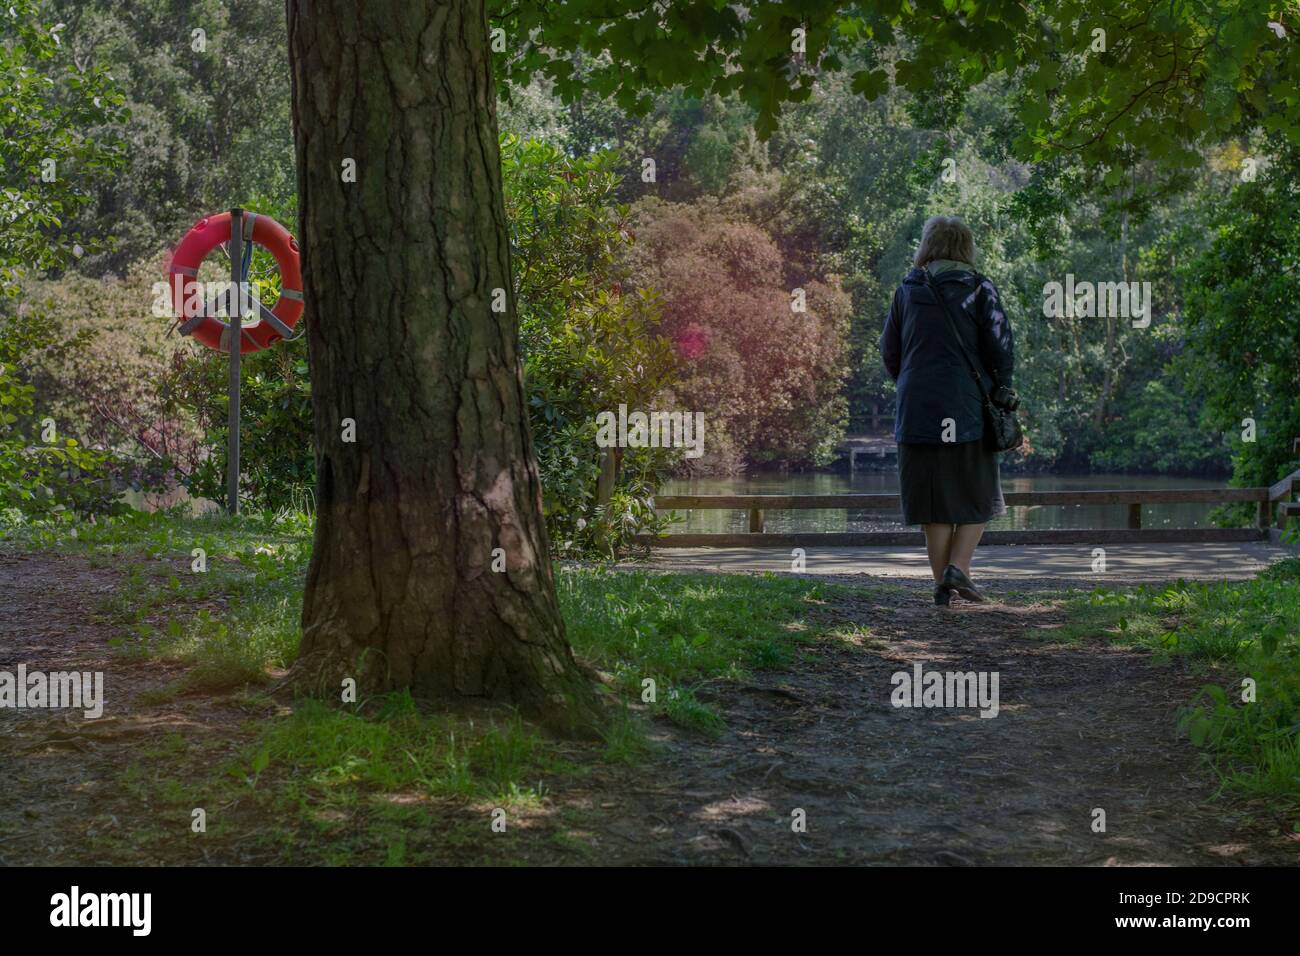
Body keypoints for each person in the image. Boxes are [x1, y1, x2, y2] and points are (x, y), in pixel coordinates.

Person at [880, 215, 1015, 606]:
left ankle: (944, 583)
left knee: (933, 501)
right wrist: (1000, 387)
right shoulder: (980, 287)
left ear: (928, 245)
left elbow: (890, 352)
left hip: (919, 410)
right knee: (979, 494)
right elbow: (1001, 347)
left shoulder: (907, 289)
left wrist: (914, 384)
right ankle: (958, 568)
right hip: (968, 407)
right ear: (965, 247)